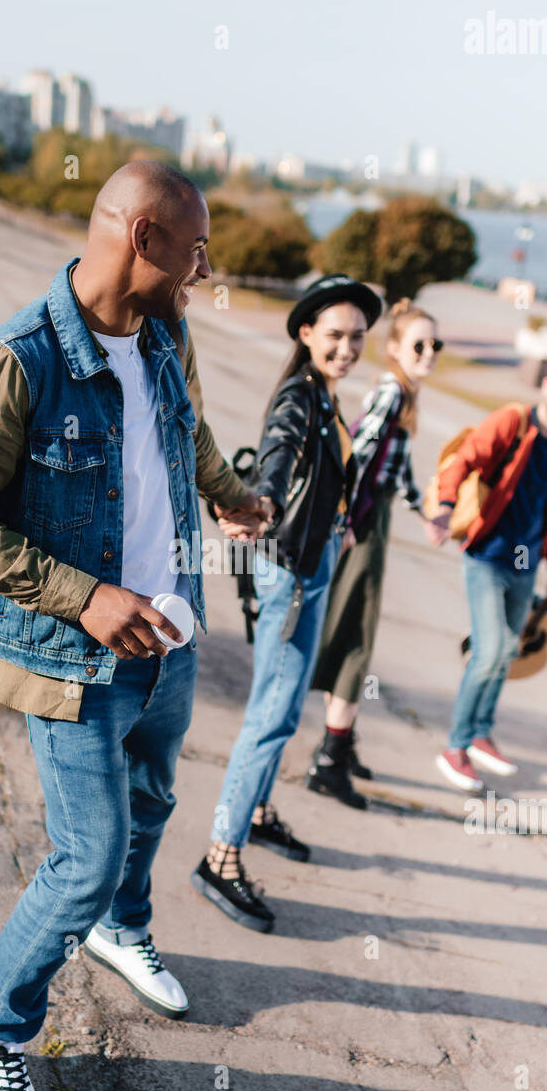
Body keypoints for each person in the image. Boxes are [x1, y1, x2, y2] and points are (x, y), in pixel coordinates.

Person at [0, 160, 270, 1091]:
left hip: (169, 641)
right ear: (143, 238)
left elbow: (186, 429)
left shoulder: (163, 333)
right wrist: (86, 596)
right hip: (75, 660)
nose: (205, 271)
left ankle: (124, 929)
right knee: (86, 860)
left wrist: (227, 495)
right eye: (196, 250)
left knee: (153, 800)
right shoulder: (18, 361)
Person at [191, 274, 383, 934]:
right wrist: (263, 501)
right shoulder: (300, 396)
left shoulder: (325, 393)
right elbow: (278, 453)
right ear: (305, 332)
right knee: (270, 716)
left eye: (357, 337)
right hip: (292, 573)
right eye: (335, 335)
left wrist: (341, 521)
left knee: (287, 703)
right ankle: (221, 856)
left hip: (313, 559)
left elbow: (325, 474)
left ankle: (257, 810)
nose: (347, 348)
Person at [306, 298, 448, 805]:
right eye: (419, 344)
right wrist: (345, 521)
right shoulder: (392, 391)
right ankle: (330, 757)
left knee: (353, 627)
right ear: (395, 349)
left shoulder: (403, 393)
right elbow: (357, 455)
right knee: (355, 634)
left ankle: (339, 742)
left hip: (374, 517)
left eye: (435, 345)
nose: (429, 352)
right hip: (362, 526)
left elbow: (395, 469)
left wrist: (425, 510)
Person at [433, 356, 547, 791]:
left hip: (525, 562)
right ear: (545, 385)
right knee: (489, 651)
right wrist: (445, 507)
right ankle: (455, 747)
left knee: (508, 652)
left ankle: (480, 732)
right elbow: (465, 458)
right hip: (488, 555)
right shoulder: (513, 421)